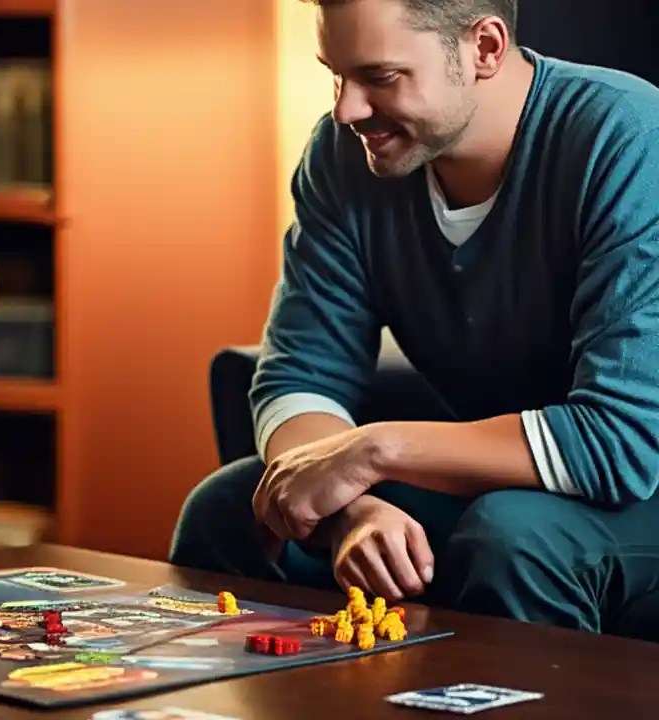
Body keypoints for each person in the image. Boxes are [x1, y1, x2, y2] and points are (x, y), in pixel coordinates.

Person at [170, 0, 659, 638]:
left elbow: (618, 439)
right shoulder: (341, 158)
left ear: (485, 48)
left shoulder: (626, 137)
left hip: (641, 483)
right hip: (502, 483)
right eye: (337, 75)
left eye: (380, 77)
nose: (347, 109)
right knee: (229, 506)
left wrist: (375, 452)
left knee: (514, 539)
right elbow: (299, 377)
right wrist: (351, 511)